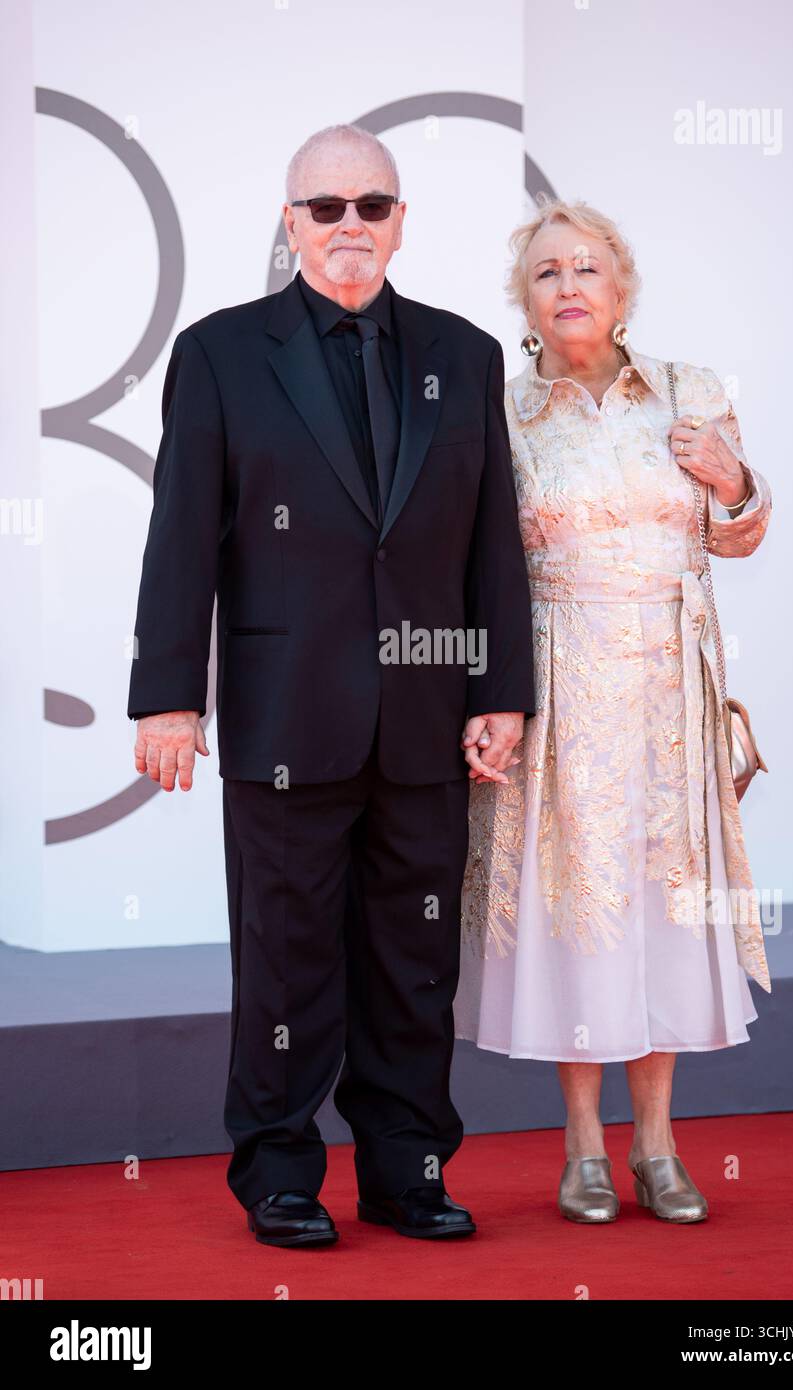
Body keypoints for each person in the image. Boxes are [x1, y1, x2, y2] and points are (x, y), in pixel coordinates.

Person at [127, 124, 535, 1247]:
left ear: (399, 219)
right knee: (286, 955)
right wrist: (169, 694)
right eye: (324, 207)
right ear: (289, 221)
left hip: (426, 711)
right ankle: (278, 1172)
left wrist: (499, 687)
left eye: (370, 205)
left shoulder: (465, 353)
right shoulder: (218, 353)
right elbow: (182, 539)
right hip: (284, 712)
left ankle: (407, 1168)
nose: (348, 225)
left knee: (414, 959)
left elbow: (487, 539)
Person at [456, 196, 772, 1224]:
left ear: (622, 289)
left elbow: (735, 536)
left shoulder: (688, 392)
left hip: (669, 692)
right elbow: (475, 564)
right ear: (525, 300)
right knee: (576, 909)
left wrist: (738, 484)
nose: (568, 286)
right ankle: (584, 1149)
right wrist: (486, 693)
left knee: (665, 905)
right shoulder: (499, 412)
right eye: (546, 272)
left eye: (587, 267)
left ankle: (660, 1148)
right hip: (558, 689)